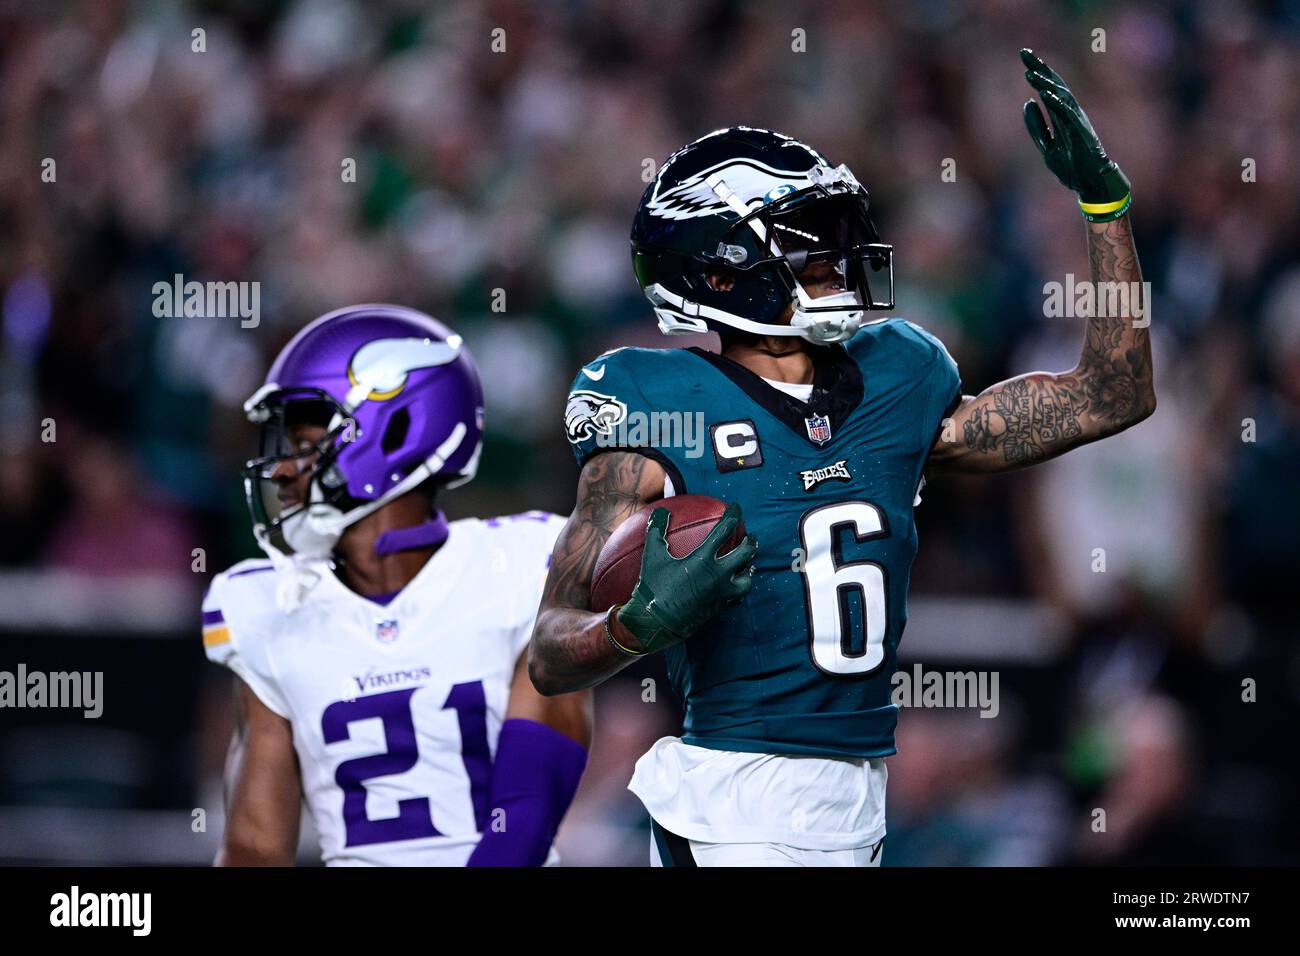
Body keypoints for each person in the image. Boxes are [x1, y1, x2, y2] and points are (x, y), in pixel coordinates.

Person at [528, 50, 1154, 867]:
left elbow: (1115, 394)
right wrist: (631, 627)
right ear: (722, 268)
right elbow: (548, 652)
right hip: (734, 800)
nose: (833, 258)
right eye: (804, 243)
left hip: (855, 800)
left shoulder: (898, 376)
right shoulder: (656, 405)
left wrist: (1105, 208)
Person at [202, 303, 590, 865]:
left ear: (395, 430)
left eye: (306, 442)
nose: (283, 470)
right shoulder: (265, 605)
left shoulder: (522, 566)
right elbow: (254, 848)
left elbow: (524, 817)